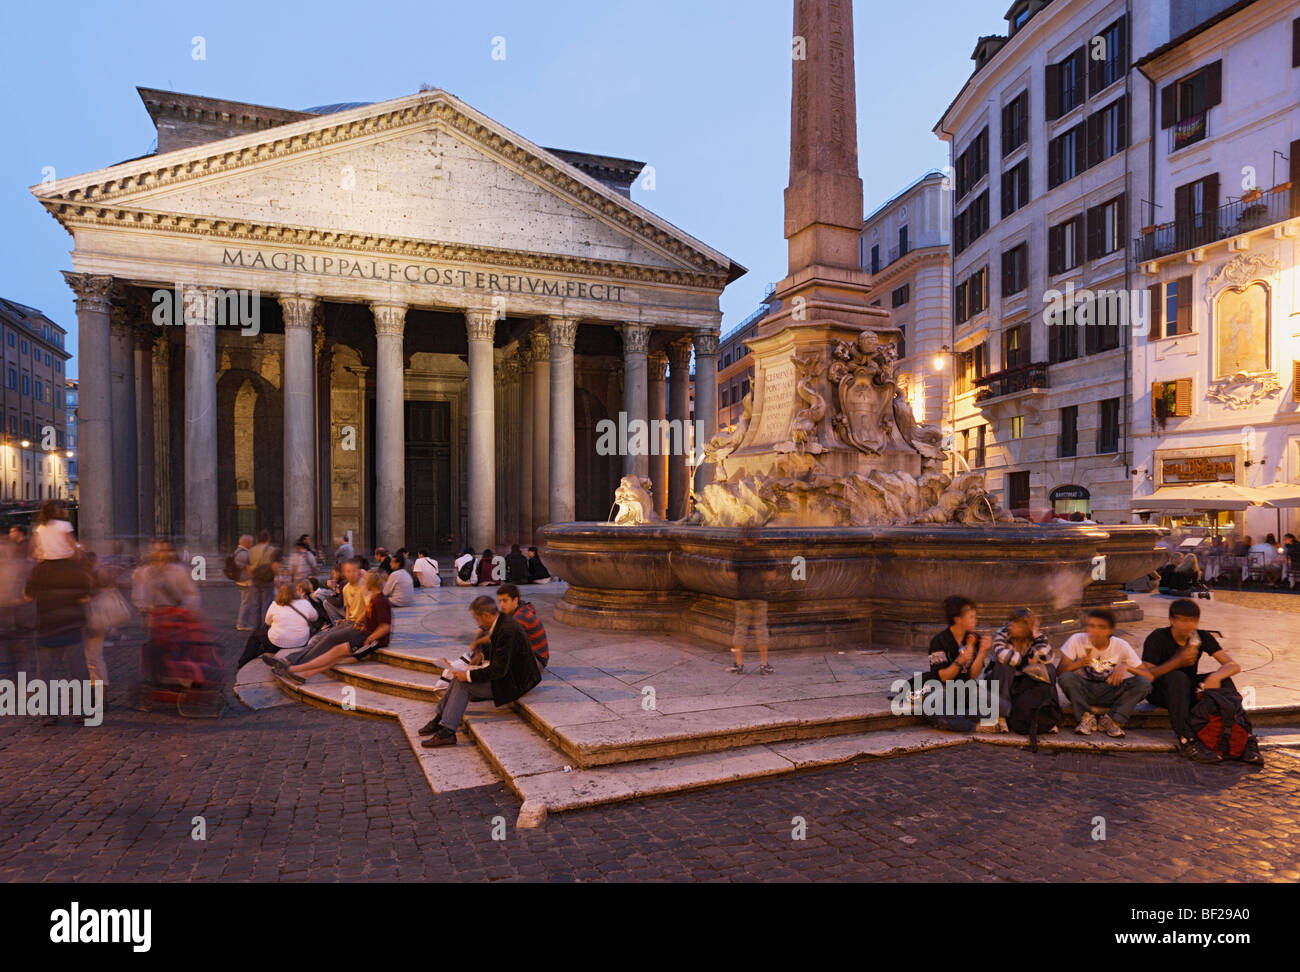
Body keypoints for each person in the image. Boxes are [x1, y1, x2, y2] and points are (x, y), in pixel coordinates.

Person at [1139, 598, 1254, 764]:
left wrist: (1216, 677)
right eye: (1183, 620)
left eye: (1193, 621)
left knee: (1224, 680)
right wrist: (1177, 662)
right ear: (1172, 620)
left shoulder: (1200, 637)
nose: (1189, 625)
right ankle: (1187, 740)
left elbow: (1233, 665)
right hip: (1161, 691)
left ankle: (1245, 737)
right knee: (1177, 677)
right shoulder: (1158, 637)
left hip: (1187, 688)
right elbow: (1145, 675)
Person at [419, 595, 541, 748]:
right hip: (511, 674)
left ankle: (447, 732)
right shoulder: (501, 622)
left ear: (486, 615)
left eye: (478, 619)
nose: (478, 624)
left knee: (464, 683)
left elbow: (498, 670)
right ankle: (441, 719)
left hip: (517, 682)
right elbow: (499, 651)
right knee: (459, 679)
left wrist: (469, 675)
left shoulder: (507, 629)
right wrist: (481, 656)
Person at [267, 570, 391, 682]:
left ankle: (292, 668)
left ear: (371, 583)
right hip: (362, 631)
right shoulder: (375, 598)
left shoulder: (379, 600)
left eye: (366, 580)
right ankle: (297, 670)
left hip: (369, 639)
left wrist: (368, 639)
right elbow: (367, 613)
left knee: (332, 652)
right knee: (329, 651)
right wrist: (357, 621)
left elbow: (385, 627)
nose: (364, 582)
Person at [1057, 608, 1151, 738]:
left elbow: (1149, 676)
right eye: (1091, 626)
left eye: (1101, 627)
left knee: (1143, 683)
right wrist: (1078, 664)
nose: (1095, 631)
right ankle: (1086, 717)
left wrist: (1127, 667)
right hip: (1084, 691)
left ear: (1110, 630)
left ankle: (1112, 720)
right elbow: (1059, 672)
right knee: (1066, 677)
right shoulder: (1076, 640)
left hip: (1111, 690)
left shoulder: (1120, 645)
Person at [23, 553, 93, 725]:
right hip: (71, 625)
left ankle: (47, 713)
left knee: (46, 672)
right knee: (78, 670)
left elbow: (28, 596)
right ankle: (82, 710)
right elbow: (86, 597)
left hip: (47, 625)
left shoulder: (40, 570)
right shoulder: (76, 569)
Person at [272, 558, 367, 667]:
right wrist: (346, 619)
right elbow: (349, 608)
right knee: (319, 638)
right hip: (350, 622)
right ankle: (289, 659)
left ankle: (296, 664)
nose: (351, 574)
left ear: (359, 571)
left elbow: (370, 607)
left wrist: (358, 621)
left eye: (353, 571)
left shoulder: (365, 586)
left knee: (330, 638)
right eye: (348, 571)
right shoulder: (346, 588)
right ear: (344, 573)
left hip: (362, 625)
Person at [925, 596, 993, 731]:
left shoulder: (974, 639)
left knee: (995, 706)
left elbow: (973, 675)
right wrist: (959, 661)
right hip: (942, 688)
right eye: (971, 616)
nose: (975, 620)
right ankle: (974, 726)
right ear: (958, 619)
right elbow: (943, 677)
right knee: (935, 705)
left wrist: (982, 652)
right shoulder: (939, 641)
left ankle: (955, 718)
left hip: (965, 687)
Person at [984, 607, 1056, 734]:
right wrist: (1026, 661)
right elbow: (1002, 655)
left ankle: (1049, 711)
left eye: (1016, 624)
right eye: (1011, 622)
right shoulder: (1002, 634)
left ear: (1026, 628)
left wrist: (1034, 635)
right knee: (1004, 666)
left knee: (1050, 669)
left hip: (1021, 681)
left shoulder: (1036, 637)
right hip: (997, 680)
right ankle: (1001, 714)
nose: (1011, 626)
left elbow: (1046, 655)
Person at [497, 583, 549, 669]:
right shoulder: (518, 608)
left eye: (505, 601)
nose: (501, 605)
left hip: (536, 661)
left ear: (515, 600)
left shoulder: (521, 617)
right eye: (500, 601)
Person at [728, 600, 772, 675]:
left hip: (743, 597)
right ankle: (764, 666)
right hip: (759, 597)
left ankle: (739, 666)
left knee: (741, 627)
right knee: (761, 628)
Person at [248, 530, 278, 618]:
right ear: (268, 538)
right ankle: (264, 625)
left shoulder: (251, 550)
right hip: (268, 579)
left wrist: (251, 576)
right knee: (267, 602)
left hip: (255, 578)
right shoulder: (272, 550)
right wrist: (277, 577)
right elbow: (274, 565)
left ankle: (255, 626)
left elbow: (248, 565)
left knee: (256, 604)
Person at [232, 534, 256, 631]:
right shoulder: (244, 554)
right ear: (247, 543)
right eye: (251, 542)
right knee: (246, 603)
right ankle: (241, 624)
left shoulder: (238, 552)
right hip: (246, 581)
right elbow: (250, 569)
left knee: (246, 602)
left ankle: (243, 622)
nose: (252, 544)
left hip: (242, 580)